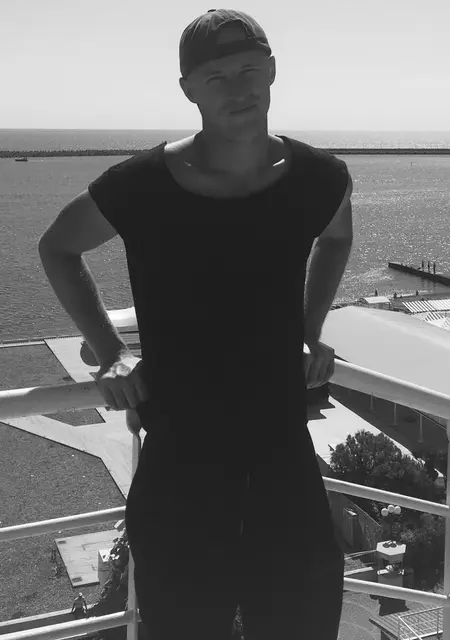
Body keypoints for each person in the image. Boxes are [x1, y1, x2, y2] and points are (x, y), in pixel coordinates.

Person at [38, 8, 353, 640]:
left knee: (304, 620)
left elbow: (336, 237)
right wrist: (109, 350)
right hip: (181, 459)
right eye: (216, 77)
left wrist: (309, 329)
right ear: (188, 89)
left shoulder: (321, 176)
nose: (238, 88)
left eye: (248, 69)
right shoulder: (141, 185)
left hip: (282, 455)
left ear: (272, 70)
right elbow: (58, 247)